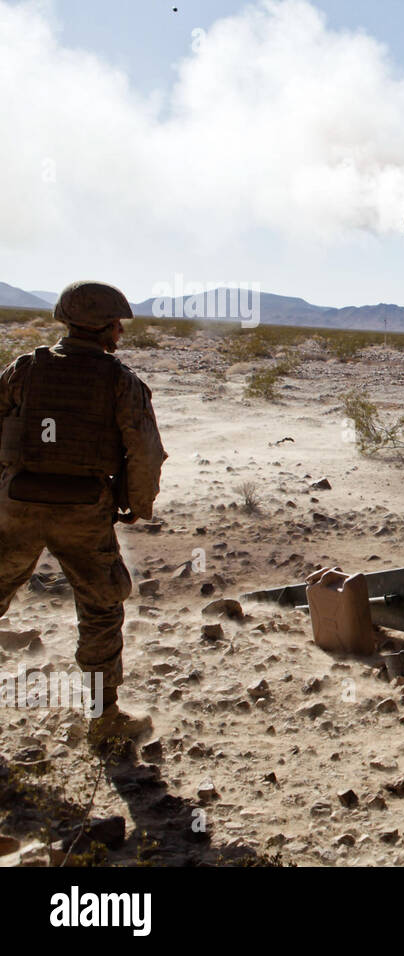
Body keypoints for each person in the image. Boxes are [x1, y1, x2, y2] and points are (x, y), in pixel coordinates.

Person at [0, 281, 167, 746]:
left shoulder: (24, 369)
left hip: (16, 504)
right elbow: (145, 452)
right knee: (99, 608)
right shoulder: (121, 382)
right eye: (117, 323)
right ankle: (104, 718)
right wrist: (138, 504)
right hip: (82, 510)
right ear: (106, 327)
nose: (120, 330)